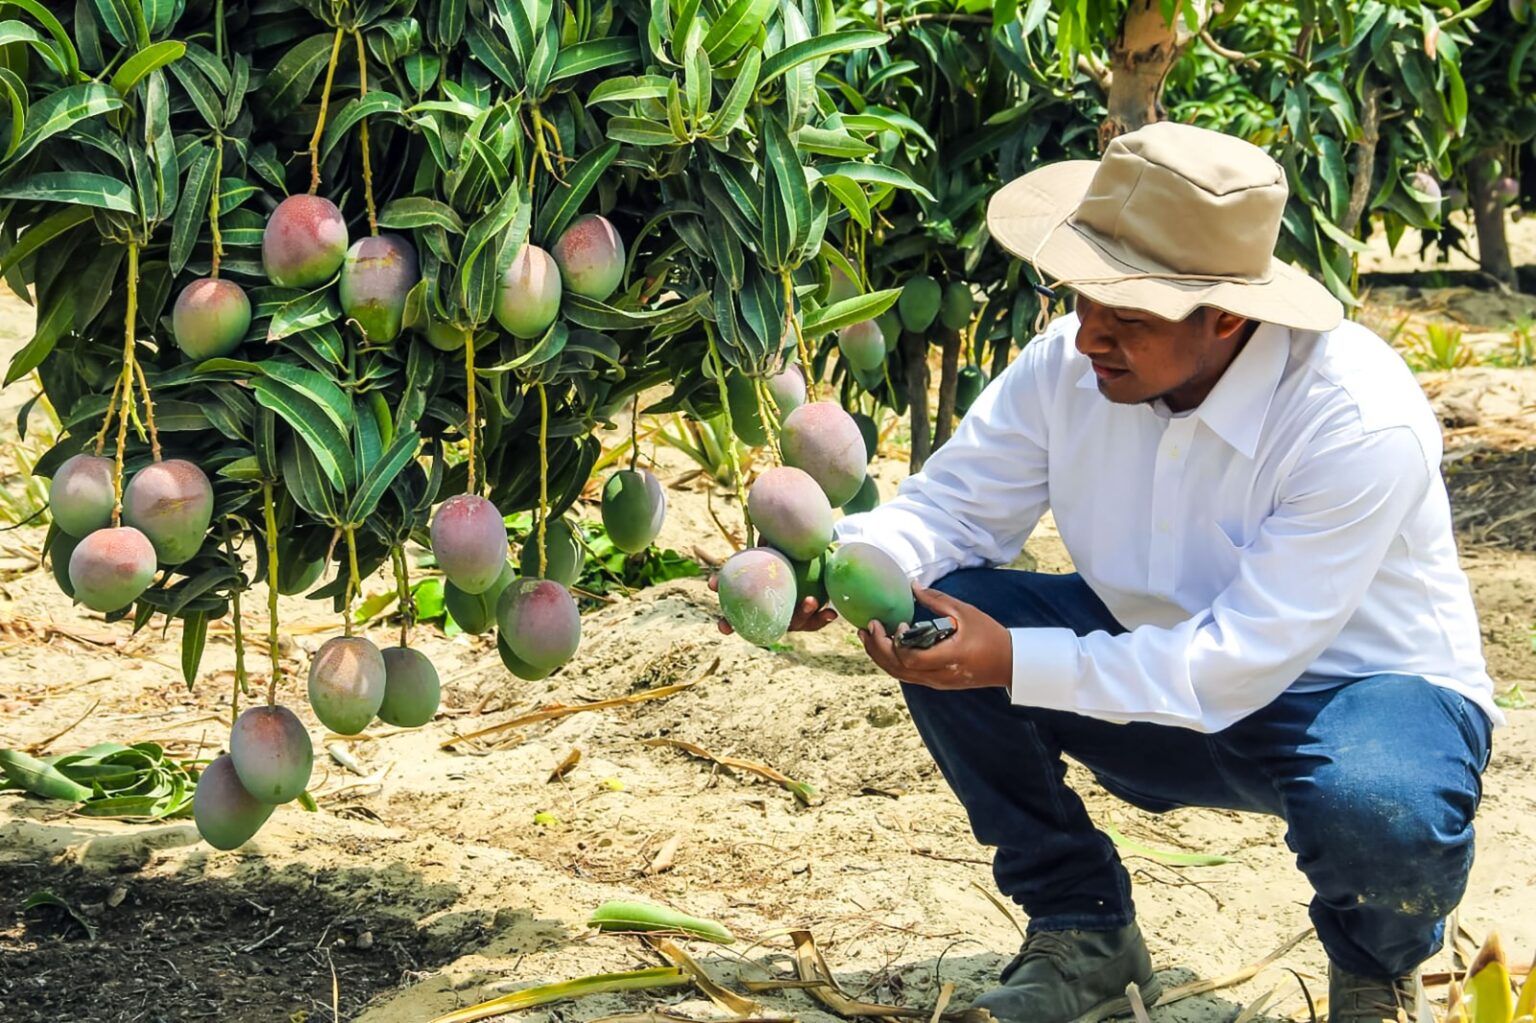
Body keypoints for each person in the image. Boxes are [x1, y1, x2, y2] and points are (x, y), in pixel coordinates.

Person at [719, 122, 1502, 1023]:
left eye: (1128, 313)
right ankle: (1082, 927)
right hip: (1153, 671)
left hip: (1356, 701)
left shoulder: (1356, 421)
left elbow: (1235, 660)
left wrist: (1013, 659)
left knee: (1381, 809)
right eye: (1085, 298)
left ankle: (1375, 968)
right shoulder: (1069, 367)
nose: (1091, 335)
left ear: (1230, 315)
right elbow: (955, 510)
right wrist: (855, 564)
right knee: (942, 613)